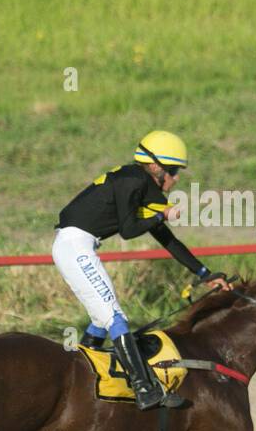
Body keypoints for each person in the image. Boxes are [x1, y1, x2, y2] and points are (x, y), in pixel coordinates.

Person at [52, 130, 232, 410]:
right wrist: (162, 213)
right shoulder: (133, 181)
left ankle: (81, 372)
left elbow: (168, 240)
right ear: (155, 166)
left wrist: (204, 273)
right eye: (173, 170)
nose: (177, 178)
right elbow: (128, 230)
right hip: (75, 245)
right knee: (115, 317)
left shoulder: (143, 185)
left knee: (102, 320)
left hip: (76, 245)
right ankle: (145, 389)